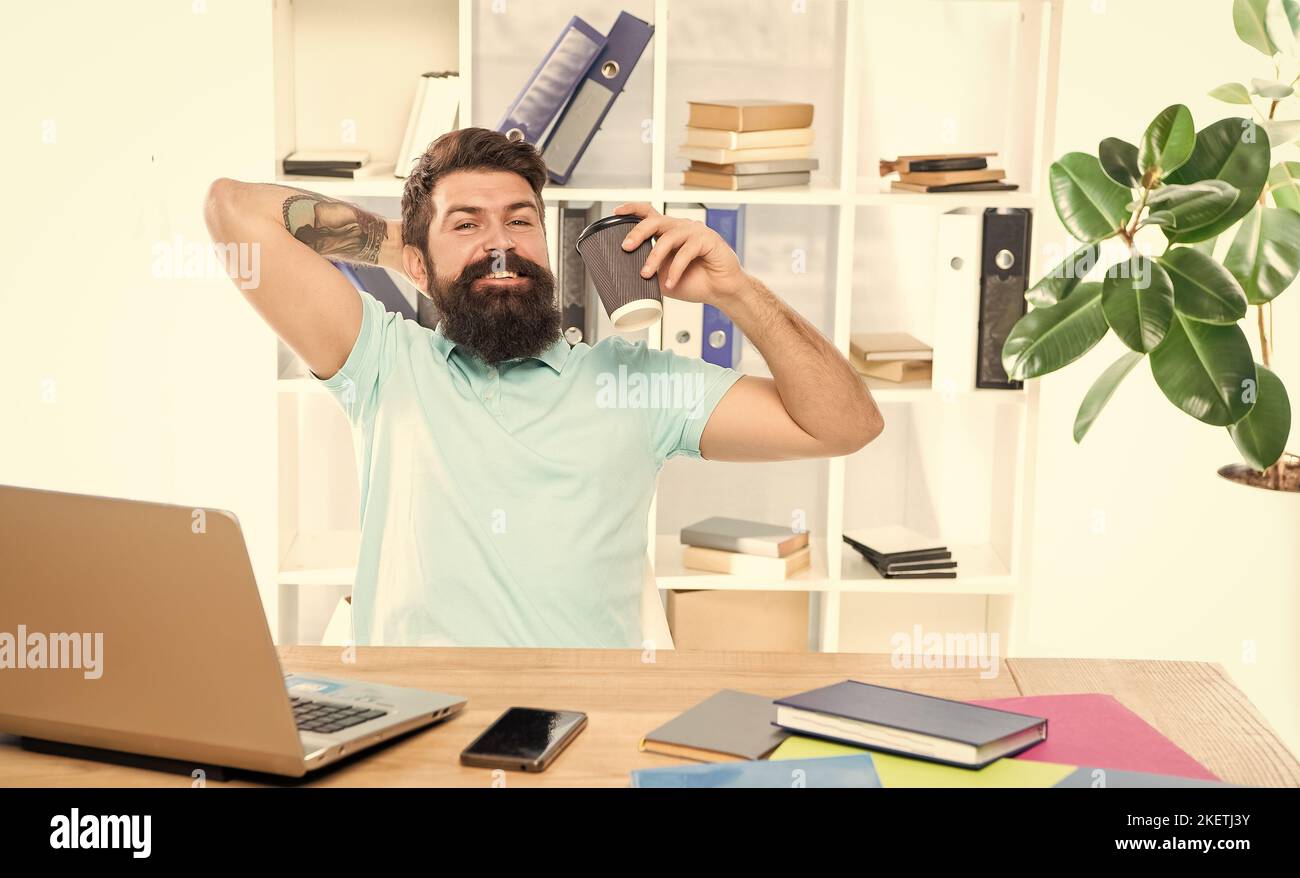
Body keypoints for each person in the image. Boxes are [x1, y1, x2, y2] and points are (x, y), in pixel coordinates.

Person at [204, 127, 882, 647]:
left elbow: (844, 425)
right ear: (415, 261)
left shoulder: (633, 383)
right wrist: (413, 250)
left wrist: (735, 290)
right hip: (414, 728)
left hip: (580, 732)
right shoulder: (382, 362)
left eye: (520, 221)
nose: (500, 244)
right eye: (468, 223)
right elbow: (232, 209)